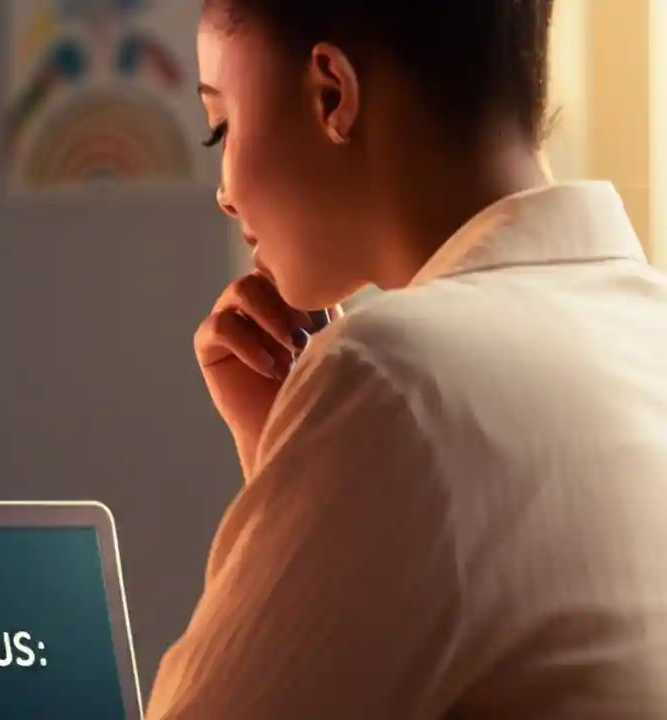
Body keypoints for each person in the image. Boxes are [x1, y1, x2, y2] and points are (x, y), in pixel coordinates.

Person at [145, 0, 667, 717]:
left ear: (333, 93)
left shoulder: (393, 380)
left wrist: (334, 437)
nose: (225, 194)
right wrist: (290, 465)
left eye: (221, 127)